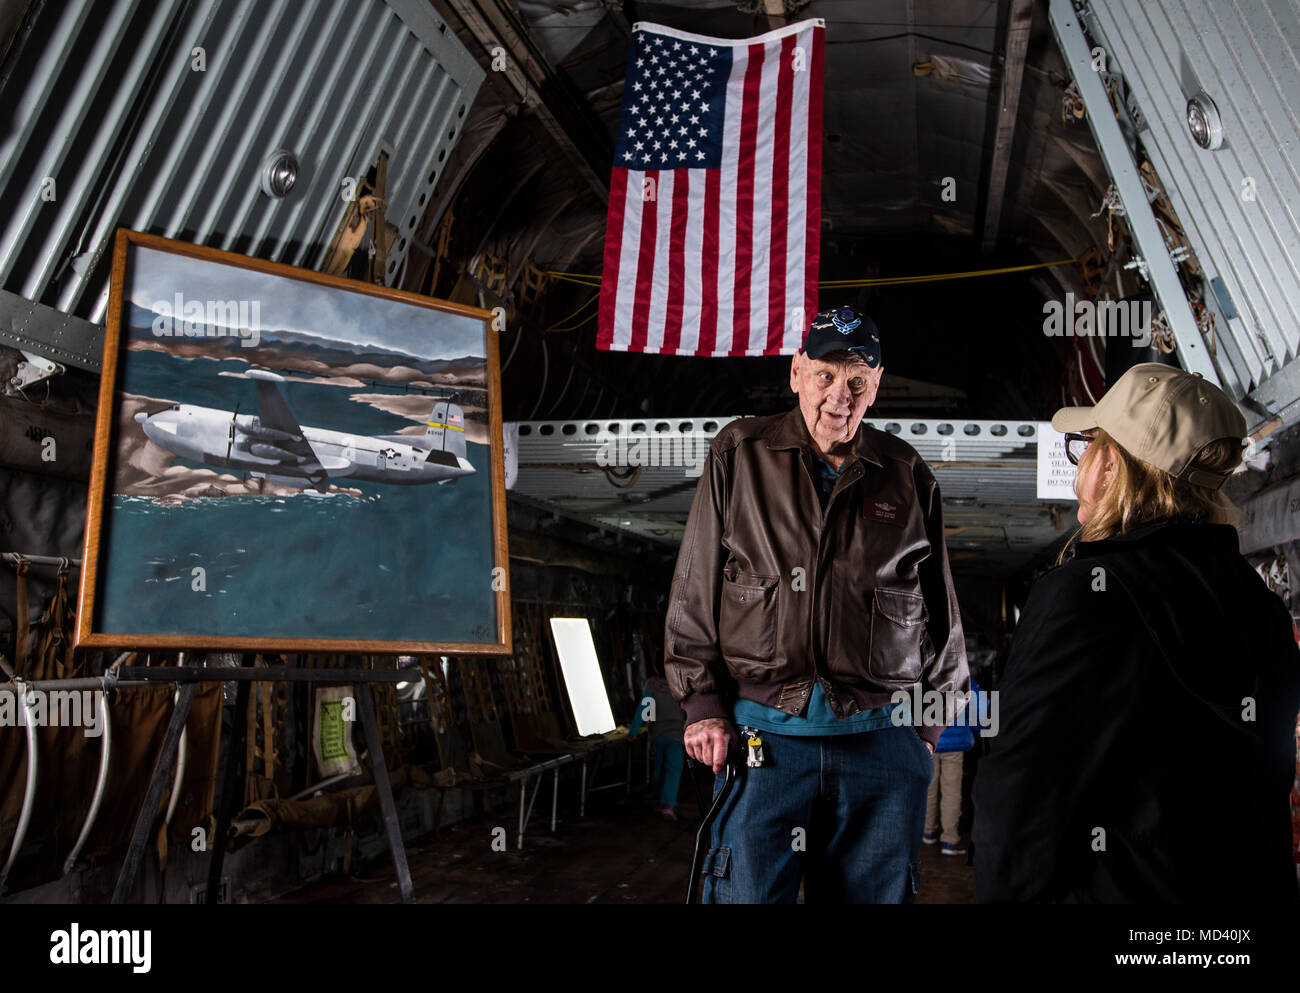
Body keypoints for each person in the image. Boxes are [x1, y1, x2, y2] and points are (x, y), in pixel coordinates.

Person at [665, 306, 968, 904]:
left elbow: (943, 616)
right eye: (826, 375)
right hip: (765, 746)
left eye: (858, 381)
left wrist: (927, 733)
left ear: (877, 384)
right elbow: (694, 587)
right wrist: (700, 704)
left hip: (881, 745)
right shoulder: (740, 452)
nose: (841, 396)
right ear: (797, 371)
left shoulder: (906, 473)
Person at [974, 363, 1300, 903]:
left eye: (1088, 446)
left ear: (1110, 464)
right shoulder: (1259, 606)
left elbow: (1022, 800)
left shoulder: (1083, 595)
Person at [923, 677, 984, 857]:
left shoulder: (925, 676)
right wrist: (975, 731)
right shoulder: (966, 680)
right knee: (952, 791)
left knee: (929, 787)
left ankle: (928, 832)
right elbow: (980, 712)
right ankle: (949, 840)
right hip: (955, 745)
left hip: (929, 741)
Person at [627, 661, 686, 820]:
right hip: (676, 734)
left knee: (658, 768)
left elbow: (644, 710)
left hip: (657, 734)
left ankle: (660, 801)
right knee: (674, 769)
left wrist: (634, 731)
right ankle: (668, 805)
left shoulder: (651, 684)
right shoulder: (679, 682)